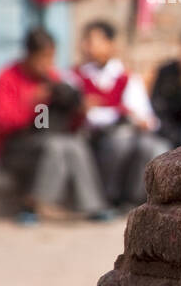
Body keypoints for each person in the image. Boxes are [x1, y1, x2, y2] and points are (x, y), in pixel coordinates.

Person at [0, 28, 111, 223]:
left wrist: (79, 110)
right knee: (55, 146)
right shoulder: (8, 77)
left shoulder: (52, 78)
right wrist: (31, 103)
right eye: (43, 58)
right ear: (29, 55)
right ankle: (32, 205)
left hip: (44, 140)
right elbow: (3, 122)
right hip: (15, 148)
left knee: (74, 144)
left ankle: (93, 206)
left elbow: (60, 120)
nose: (47, 64)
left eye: (50, 58)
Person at [71, 20, 170, 208]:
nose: (88, 47)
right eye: (86, 41)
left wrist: (133, 117)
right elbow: (82, 117)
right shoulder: (76, 76)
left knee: (154, 146)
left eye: (94, 41)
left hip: (127, 133)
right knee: (119, 141)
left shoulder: (126, 78)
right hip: (94, 137)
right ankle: (107, 196)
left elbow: (146, 118)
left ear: (111, 44)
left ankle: (134, 198)